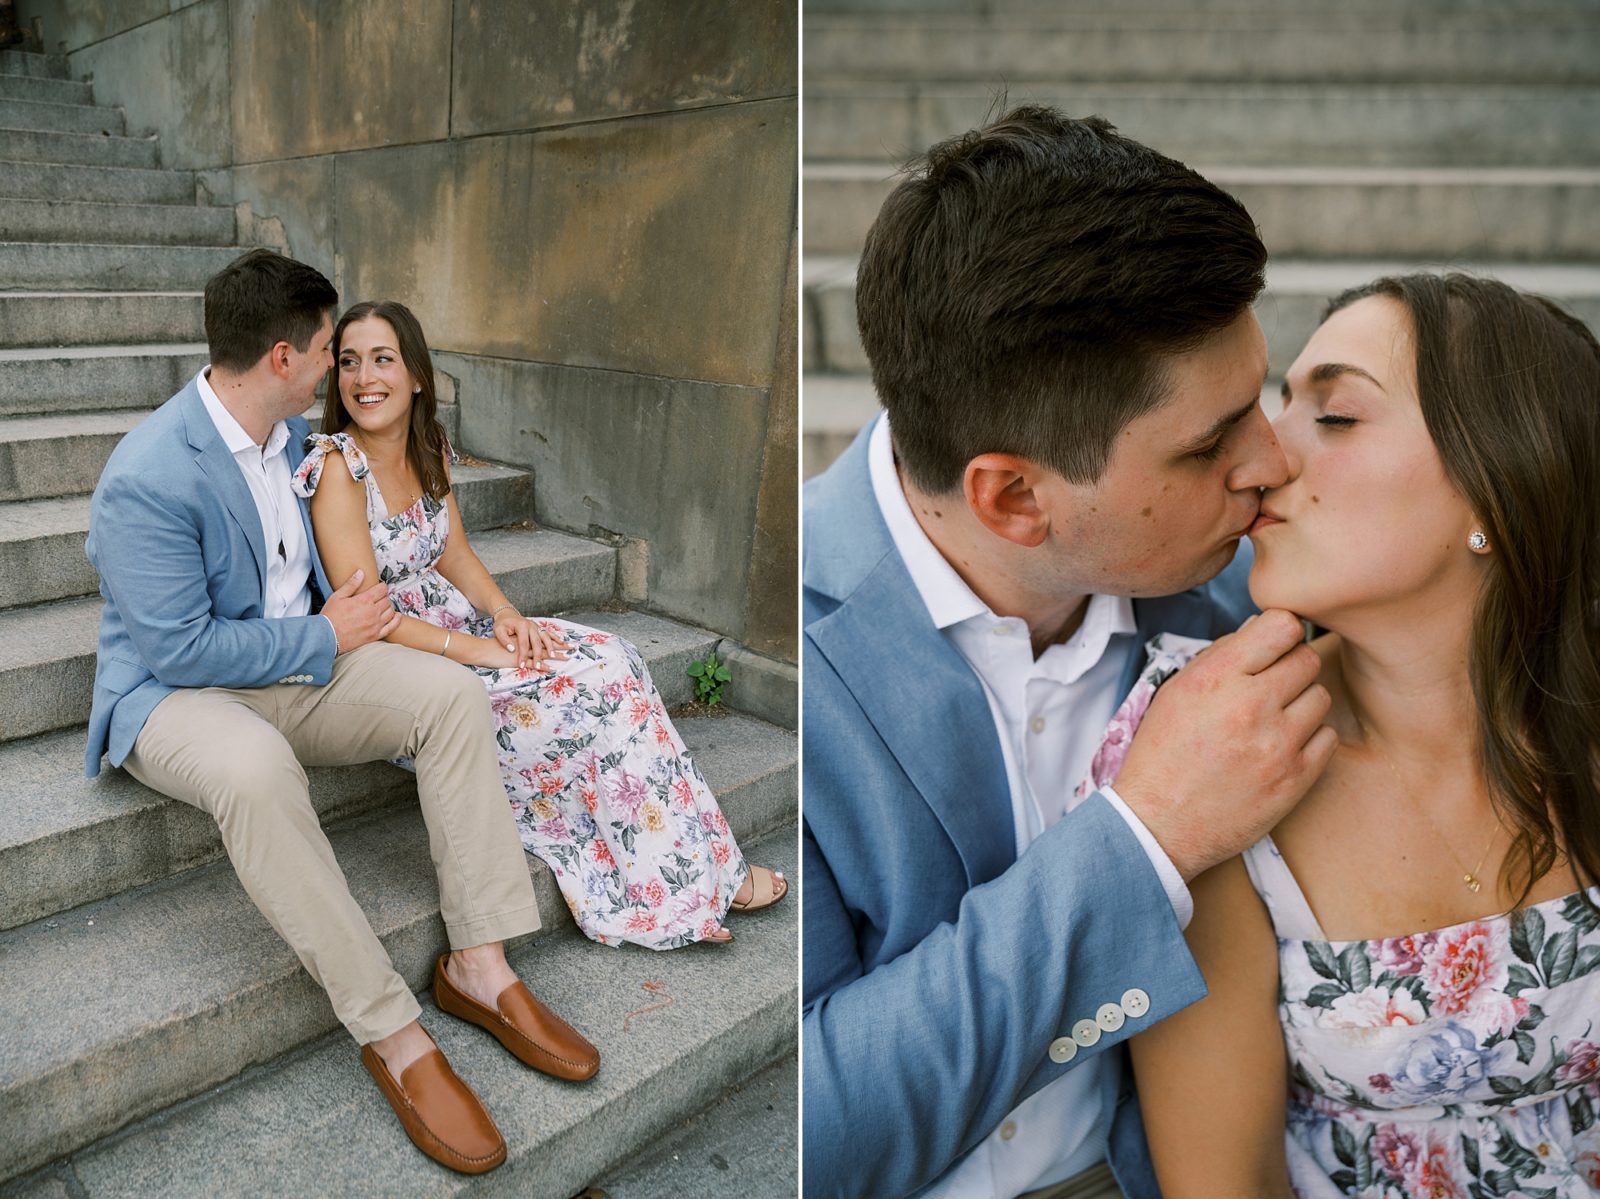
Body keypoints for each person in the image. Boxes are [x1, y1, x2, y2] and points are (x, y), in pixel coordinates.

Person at [801, 105, 1339, 1199]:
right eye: (1209, 443)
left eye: (1260, 401)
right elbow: (811, 1126)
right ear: (1012, 497)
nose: (1272, 461)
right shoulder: (795, 641)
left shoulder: (1255, 597)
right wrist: (1145, 836)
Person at [85, 250, 598, 1177]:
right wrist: (326, 634)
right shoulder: (147, 476)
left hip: (302, 666)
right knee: (253, 769)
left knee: (447, 697)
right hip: (177, 699)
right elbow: (180, 650)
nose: (338, 370)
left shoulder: (299, 446)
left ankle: (479, 964)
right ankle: (393, 1031)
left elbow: (393, 535)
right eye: (328, 350)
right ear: (283, 357)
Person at [1123, 274, 1600, 1197]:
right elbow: (1226, 1184)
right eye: (1280, 405)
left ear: (1500, 485)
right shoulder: (1220, 755)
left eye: (1335, 416)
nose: (1262, 457)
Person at [293, 300, 787, 951]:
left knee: (618, 656)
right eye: (349, 361)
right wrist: (483, 653)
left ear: (416, 373)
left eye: (383, 358)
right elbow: (372, 618)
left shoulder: (427, 445)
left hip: (461, 628)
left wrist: (505, 616)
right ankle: (671, 892)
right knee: (593, 692)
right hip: (406, 667)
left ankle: (699, 867)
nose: (363, 377)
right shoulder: (336, 466)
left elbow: (454, 552)